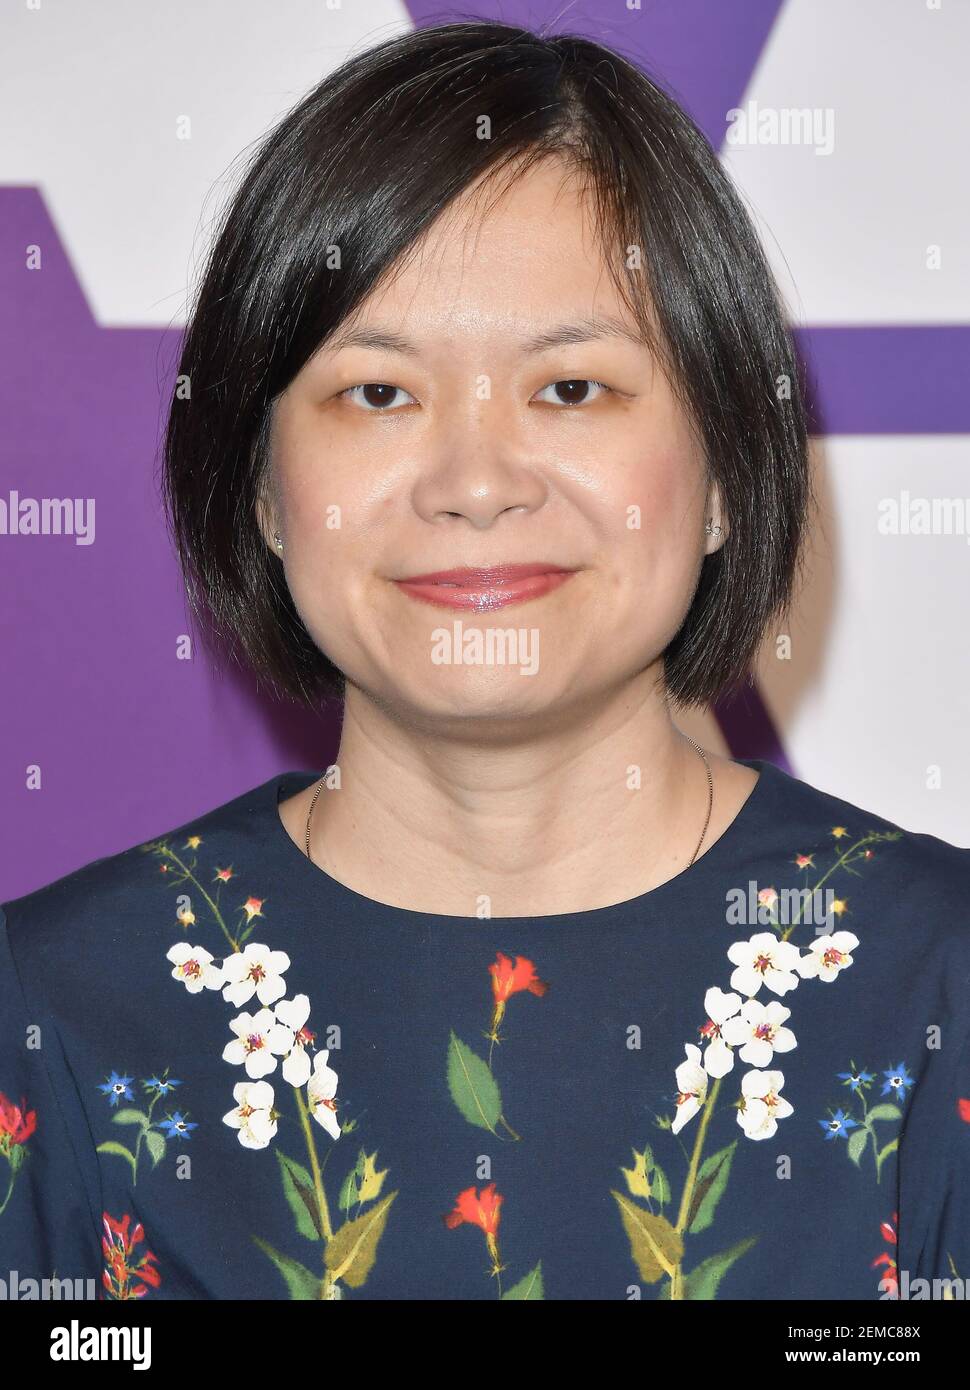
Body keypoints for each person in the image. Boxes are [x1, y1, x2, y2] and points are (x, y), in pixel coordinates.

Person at [2, 20, 968, 1303]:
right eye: (377, 394)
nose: (473, 485)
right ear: (265, 492)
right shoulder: (54, 1009)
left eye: (571, 389)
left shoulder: (938, 985)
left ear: (727, 471)